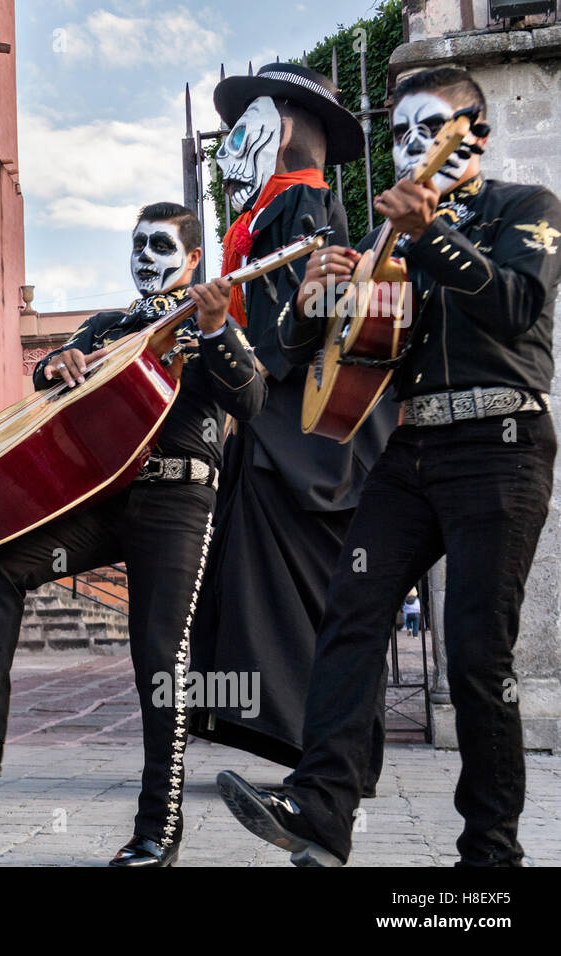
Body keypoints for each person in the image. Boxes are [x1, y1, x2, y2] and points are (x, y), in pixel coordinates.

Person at [217, 67, 561, 867]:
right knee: (351, 608)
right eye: (401, 133)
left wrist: (431, 234)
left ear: (473, 132)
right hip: (413, 447)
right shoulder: (383, 243)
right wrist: (311, 303)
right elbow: (340, 362)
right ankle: (320, 808)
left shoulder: (527, 209)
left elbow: (514, 306)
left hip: (499, 441)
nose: (412, 146)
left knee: (478, 653)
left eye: (430, 127)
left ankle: (491, 853)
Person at [0, 204, 266, 866]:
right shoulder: (109, 326)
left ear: (192, 260)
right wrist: (60, 364)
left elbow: (253, 401)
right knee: (7, 560)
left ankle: (160, 826)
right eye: (137, 245)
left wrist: (216, 332)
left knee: (158, 656)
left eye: (160, 246)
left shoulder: (212, 320)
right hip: (107, 499)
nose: (145, 256)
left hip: (179, 500)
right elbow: (51, 379)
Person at [188, 64, 395, 789]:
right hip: (291, 446)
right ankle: (330, 762)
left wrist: (233, 336)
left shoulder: (300, 205)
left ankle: (336, 766)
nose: (231, 142)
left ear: (280, 129)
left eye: (249, 121)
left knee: (311, 609)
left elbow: (298, 336)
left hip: (309, 451)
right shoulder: (280, 212)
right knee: (296, 606)